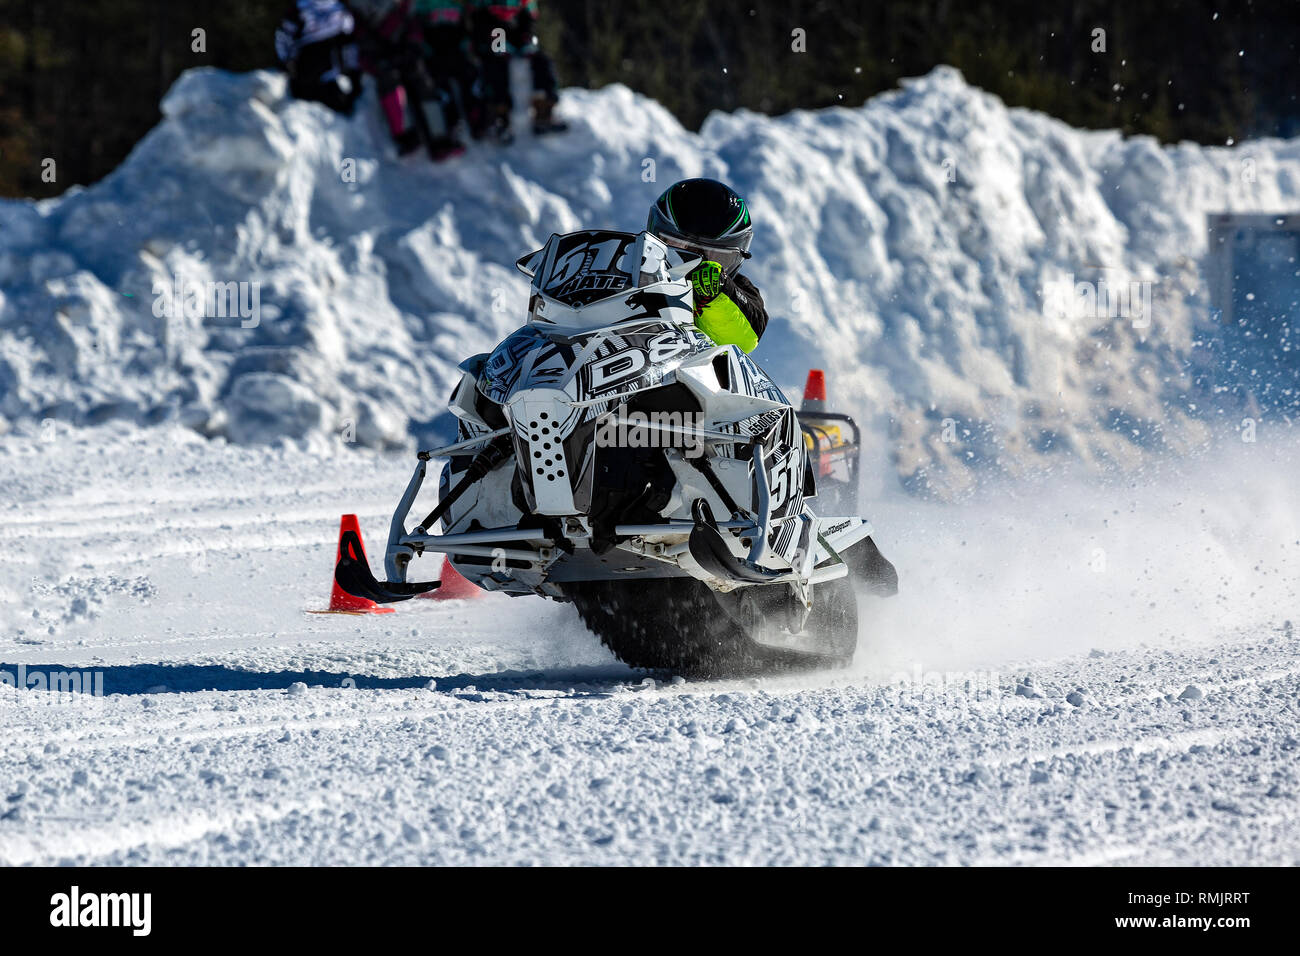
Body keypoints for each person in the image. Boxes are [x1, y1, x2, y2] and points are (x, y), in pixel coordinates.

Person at [646, 179, 768, 353]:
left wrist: (719, 289)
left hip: (691, 371)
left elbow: (746, 338)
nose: (691, 264)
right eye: (677, 248)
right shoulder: (626, 264)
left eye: (715, 257)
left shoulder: (737, 288)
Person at [469, 0, 567, 142]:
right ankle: (500, 116)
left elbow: (529, 20)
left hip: (515, 30)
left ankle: (544, 109)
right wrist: (496, 42)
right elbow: (478, 19)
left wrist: (528, 40)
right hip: (492, 32)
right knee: (496, 64)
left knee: (543, 61)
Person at [275, 0, 363, 115]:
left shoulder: (340, 10)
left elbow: (349, 45)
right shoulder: (300, 9)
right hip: (304, 77)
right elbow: (283, 37)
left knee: (343, 109)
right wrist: (286, 62)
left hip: (332, 78)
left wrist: (354, 74)